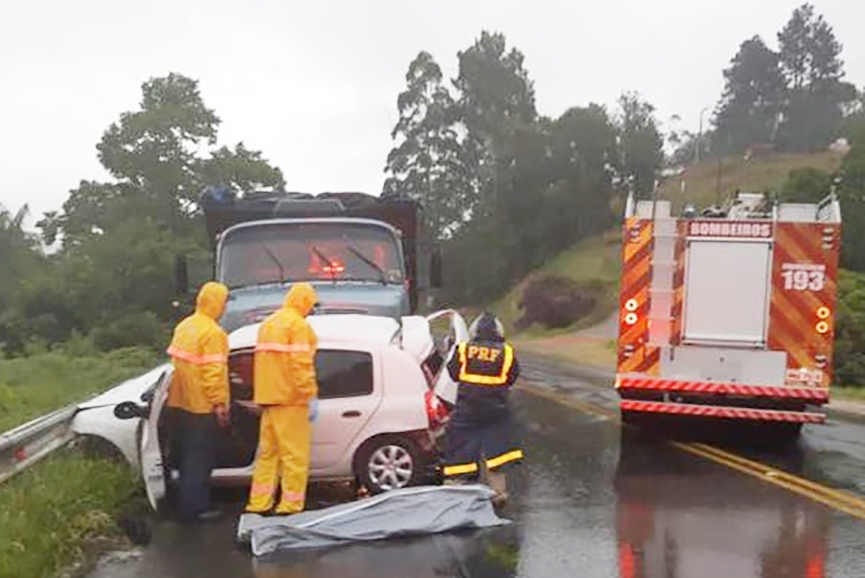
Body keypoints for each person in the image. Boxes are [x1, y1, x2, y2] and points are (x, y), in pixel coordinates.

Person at [245, 282, 320, 515]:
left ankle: (259, 503)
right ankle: (290, 504)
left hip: (269, 399)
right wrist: (310, 394)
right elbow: (300, 364)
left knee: (268, 456)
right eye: (311, 304)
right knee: (294, 456)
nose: (311, 309)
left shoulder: (268, 324)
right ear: (304, 301)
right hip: (291, 399)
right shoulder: (297, 326)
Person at [165, 281, 231, 524]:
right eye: (223, 303)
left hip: (178, 403)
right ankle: (196, 510)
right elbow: (213, 373)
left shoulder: (185, 326)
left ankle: (182, 504)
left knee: (184, 458)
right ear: (216, 303)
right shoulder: (213, 333)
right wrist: (220, 404)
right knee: (199, 460)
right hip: (202, 406)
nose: (224, 308)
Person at [442, 312, 522, 505]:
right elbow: (512, 378)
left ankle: (456, 489)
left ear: (474, 331)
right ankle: (498, 493)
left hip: (467, 409)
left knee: (460, 447)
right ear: (498, 331)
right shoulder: (507, 352)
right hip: (496, 411)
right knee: (497, 452)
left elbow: (453, 373)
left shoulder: (463, 350)